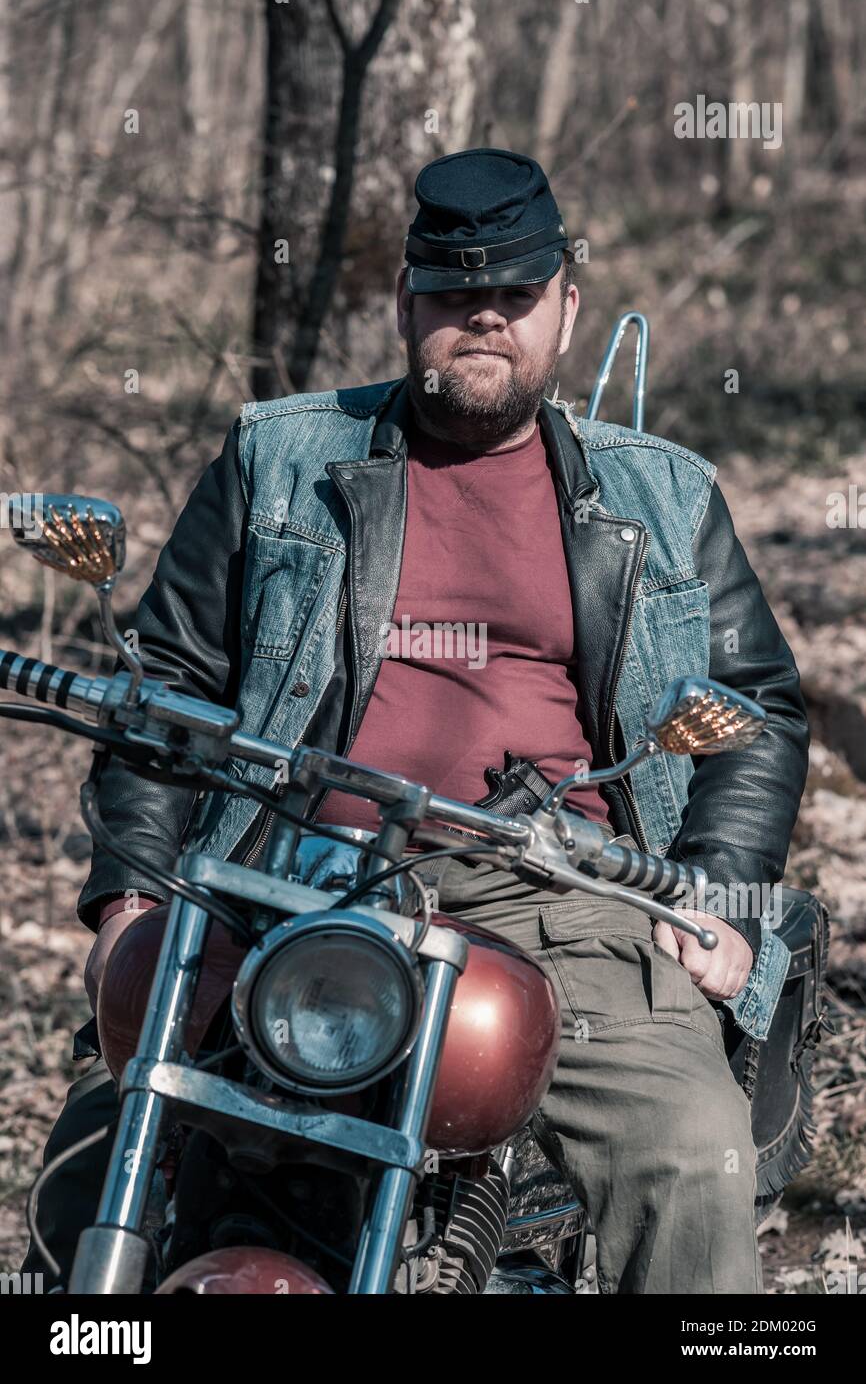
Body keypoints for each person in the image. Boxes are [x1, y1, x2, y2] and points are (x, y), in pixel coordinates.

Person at [24, 148, 808, 1293]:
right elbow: (166, 687)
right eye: (450, 294)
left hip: (569, 899)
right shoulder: (277, 459)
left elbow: (757, 707)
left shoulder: (662, 494)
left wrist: (709, 889)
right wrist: (134, 894)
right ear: (404, 302)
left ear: (564, 308)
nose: (482, 318)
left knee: (689, 1147)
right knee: (113, 1142)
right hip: (289, 882)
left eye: (515, 297)